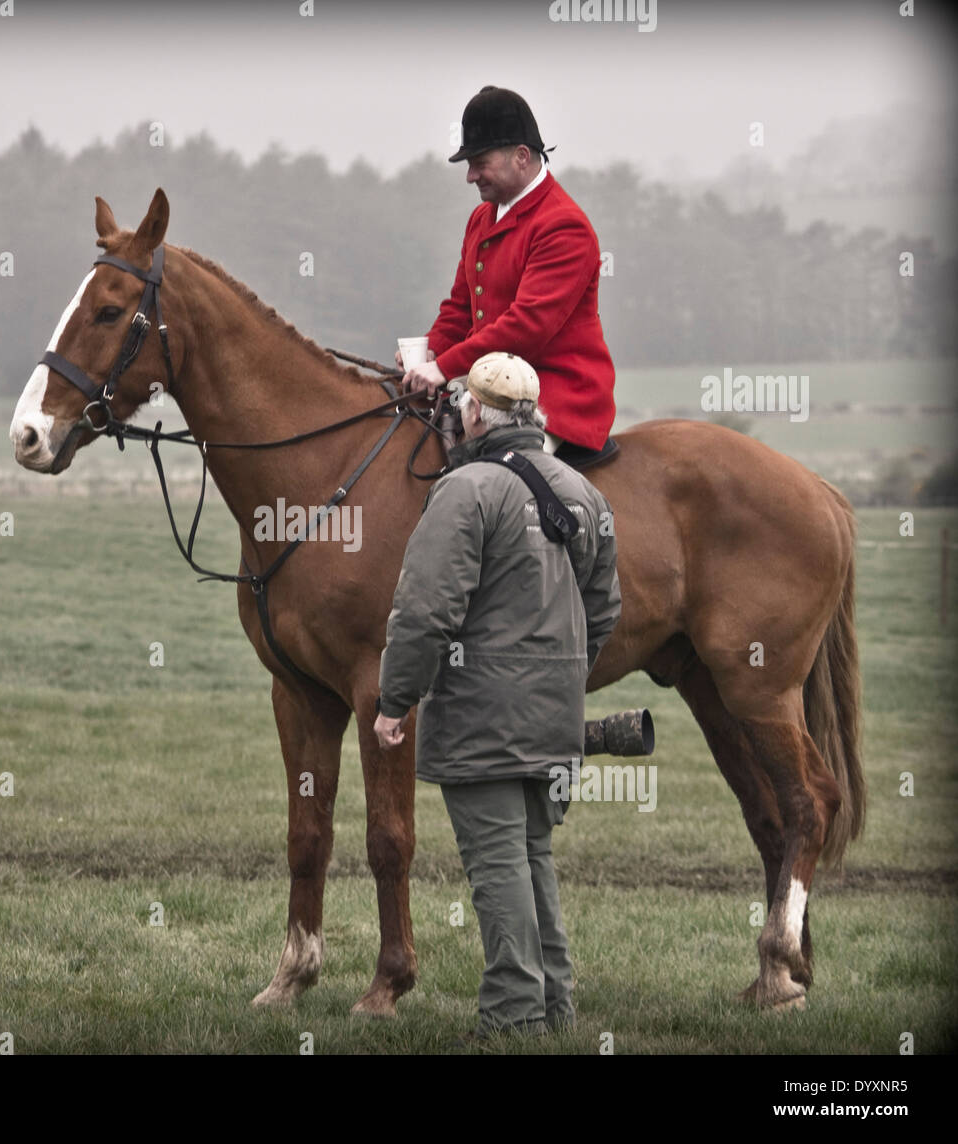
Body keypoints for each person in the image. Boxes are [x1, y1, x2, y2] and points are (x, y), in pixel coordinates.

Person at [374, 351, 621, 1041]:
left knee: (498, 864)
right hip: (554, 717)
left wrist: (396, 701)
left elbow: (426, 610)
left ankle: (514, 1014)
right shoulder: (583, 491)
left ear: (476, 412)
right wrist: (561, 677)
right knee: (534, 855)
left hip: (484, 718)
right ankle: (555, 1005)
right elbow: (603, 609)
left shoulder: (466, 490)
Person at [398, 85, 617, 465]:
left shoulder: (564, 226)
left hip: (554, 399)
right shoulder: (482, 218)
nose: (470, 176)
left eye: (480, 162)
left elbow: (525, 328)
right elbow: (460, 308)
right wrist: (429, 351)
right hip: (490, 389)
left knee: (494, 482)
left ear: (520, 156)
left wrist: (443, 367)